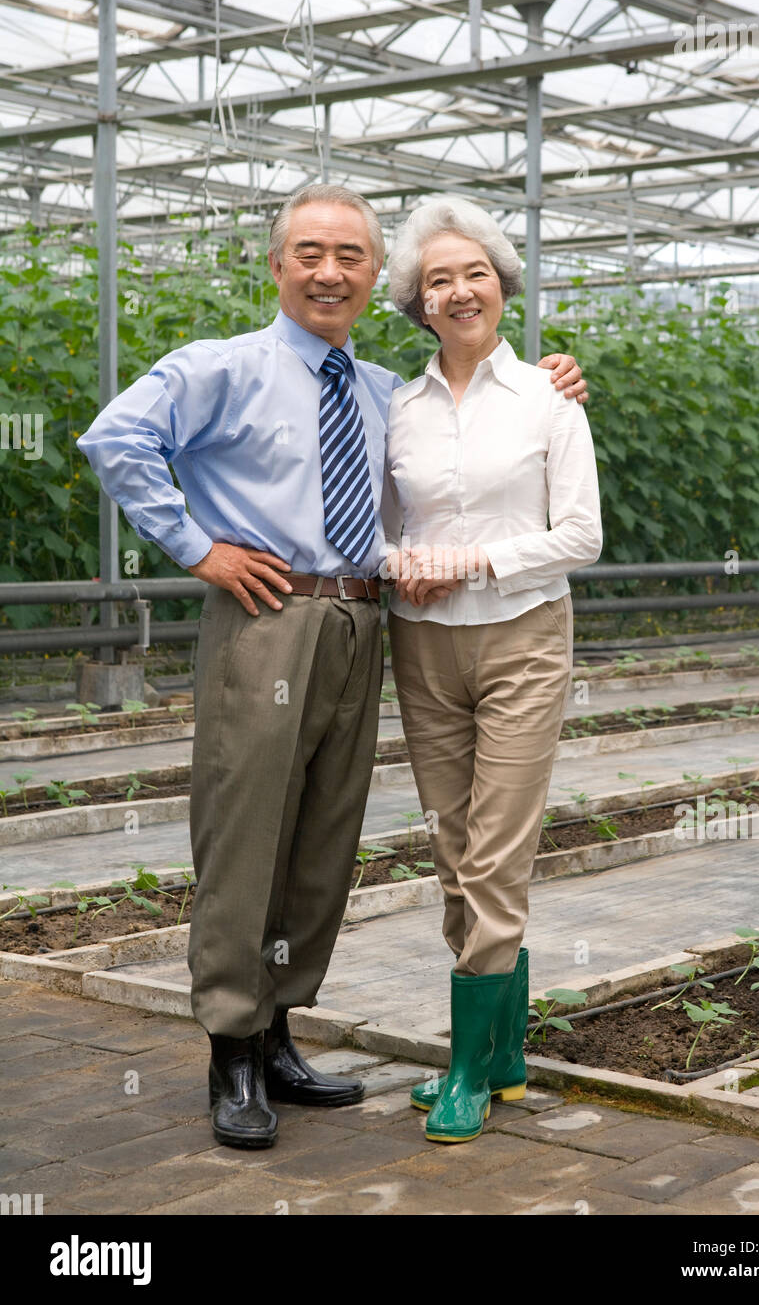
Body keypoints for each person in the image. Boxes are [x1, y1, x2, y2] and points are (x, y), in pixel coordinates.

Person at [76, 183, 588, 1151]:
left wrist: (547, 376)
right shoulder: (220, 368)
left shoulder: (379, 391)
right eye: (309, 251)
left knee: (320, 838)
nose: (328, 270)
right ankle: (230, 1046)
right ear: (277, 267)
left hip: (363, 618)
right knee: (244, 830)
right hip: (269, 612)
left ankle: (278, 1034)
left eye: (349, 255)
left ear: (369, 280)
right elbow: (117, 438)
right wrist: (196, 547)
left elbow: (471, 423)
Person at [381, 196, 603, 1144]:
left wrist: (473, 562)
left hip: (522, 633)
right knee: (450, 848)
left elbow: (582, 536)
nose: (459, 289)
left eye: (475, 272)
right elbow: (379, 532)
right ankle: (505, 1058)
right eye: (439, 278)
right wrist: (405, 568)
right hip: (421, 643)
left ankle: (466, 1068)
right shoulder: (396, 406)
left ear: (503, 286)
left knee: (493, 853)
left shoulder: (550, 398)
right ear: (418, 302)